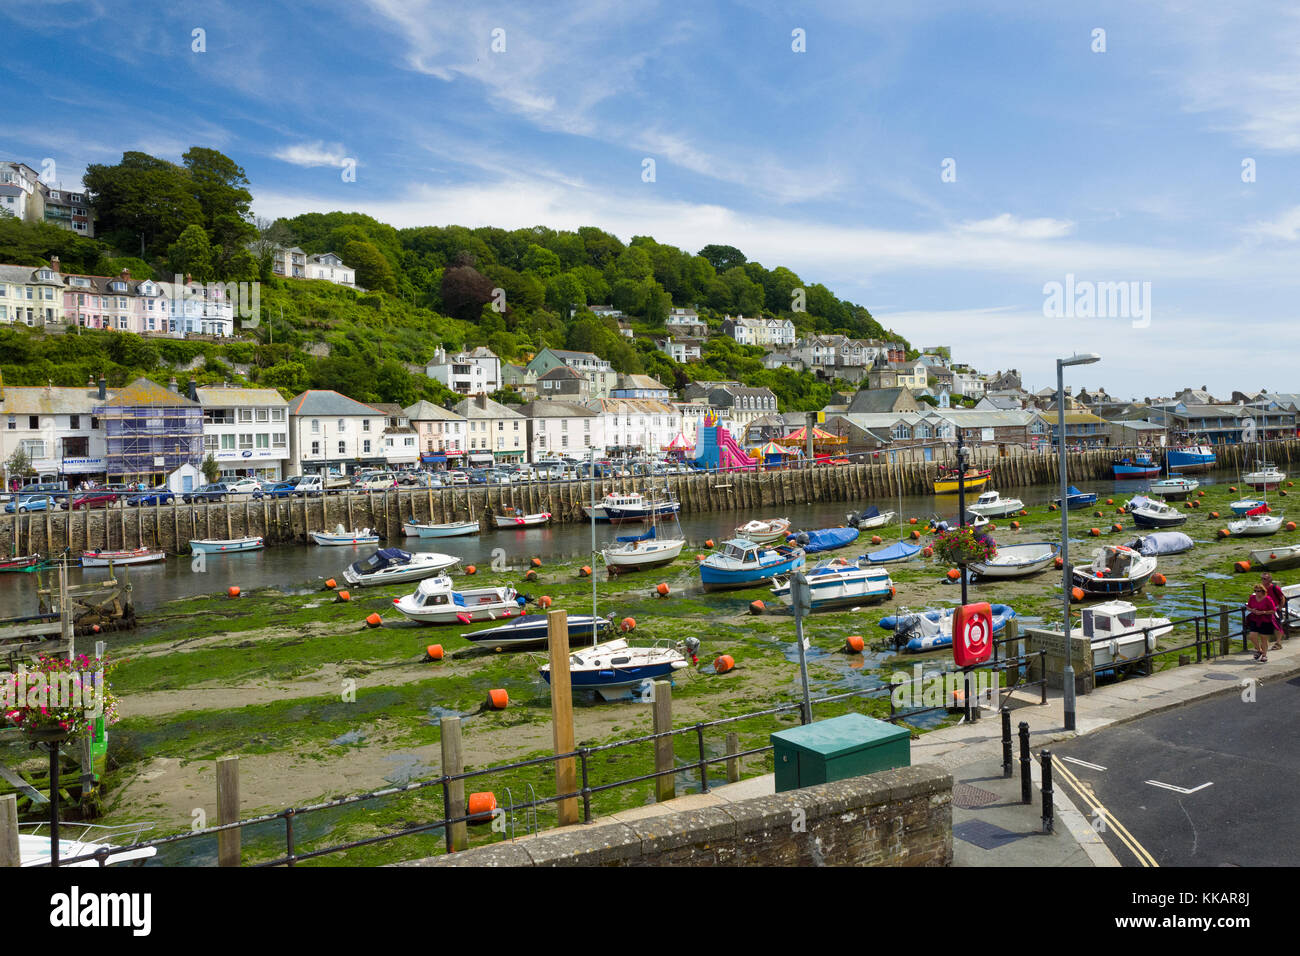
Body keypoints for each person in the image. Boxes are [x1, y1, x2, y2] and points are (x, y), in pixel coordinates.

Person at [1246, 583, 1277, 663]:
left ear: (1263, 591)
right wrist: (1253, 610)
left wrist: (1263, 612)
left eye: (1258, 591)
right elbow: (1248, 607)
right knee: (1252, 636)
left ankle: (1264, 655)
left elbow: (1273, 610)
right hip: (1254, 618)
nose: (1256, 592)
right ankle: (1259, 650)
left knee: (1264, 638)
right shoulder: (1252, 597)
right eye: (1255, 591)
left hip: (1265, 620)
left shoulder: (1268, 599)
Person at [1261, 572, 1288, 650]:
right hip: (1265, 610)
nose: (1262, 580)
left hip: (1275, 609)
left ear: (1269, 579)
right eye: (1262, 578)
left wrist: (1279, 608)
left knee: (1277, 627)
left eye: (1264, 578)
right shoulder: (1262, 588)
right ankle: (1265, 643)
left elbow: (1282, 597)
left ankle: (1278, 643)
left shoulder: (1275, 588)